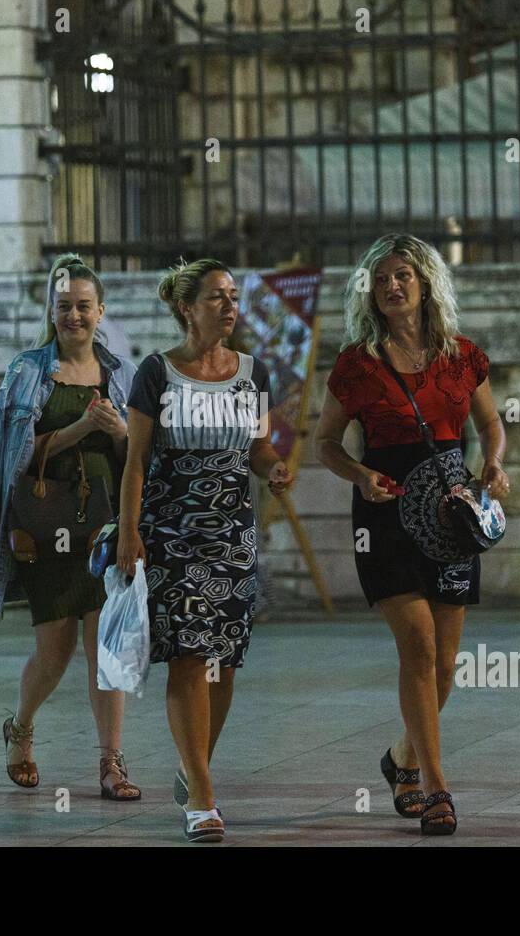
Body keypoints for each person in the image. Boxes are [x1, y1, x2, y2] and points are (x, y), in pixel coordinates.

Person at [313, 233, 510, 836]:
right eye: (381, 280)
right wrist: (359, 472)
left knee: (445, 666)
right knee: (419, 650)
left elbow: (490, 424)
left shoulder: (461, 356)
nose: (392, 286)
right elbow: (325, 444)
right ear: (369, 294)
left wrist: (495, 463)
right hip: (385, 515)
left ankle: (400, 760)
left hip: (453, 520)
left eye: (402, 275)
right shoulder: (356, 366)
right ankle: (437, 787)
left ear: (425, 282)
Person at [116, 258, 292, 843]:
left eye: (234, 296)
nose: (229, 305)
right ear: (188, 308)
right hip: (171, 532)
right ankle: (203, 794)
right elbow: (136, 461)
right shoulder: (157, 373)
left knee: (223, 663)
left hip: (232, 535)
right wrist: (128, 531)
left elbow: (258, 449)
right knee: (190, 656)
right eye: (216, 297)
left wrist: (275, 469)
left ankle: (195, 772)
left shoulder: (251, 371)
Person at [0, 254, 142, 802]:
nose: (74, 316)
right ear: (51, 309)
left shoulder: (122, 375)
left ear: (100, 311)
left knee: (105, 648)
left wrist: (115, 434)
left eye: (84, 306)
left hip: (104, 531)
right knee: (55, 652)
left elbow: (138, 459)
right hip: (45, 532)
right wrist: (81, 426)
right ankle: (21, 729)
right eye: (64, 306)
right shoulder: (27, 371)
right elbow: (12, 456)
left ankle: (111, 762)